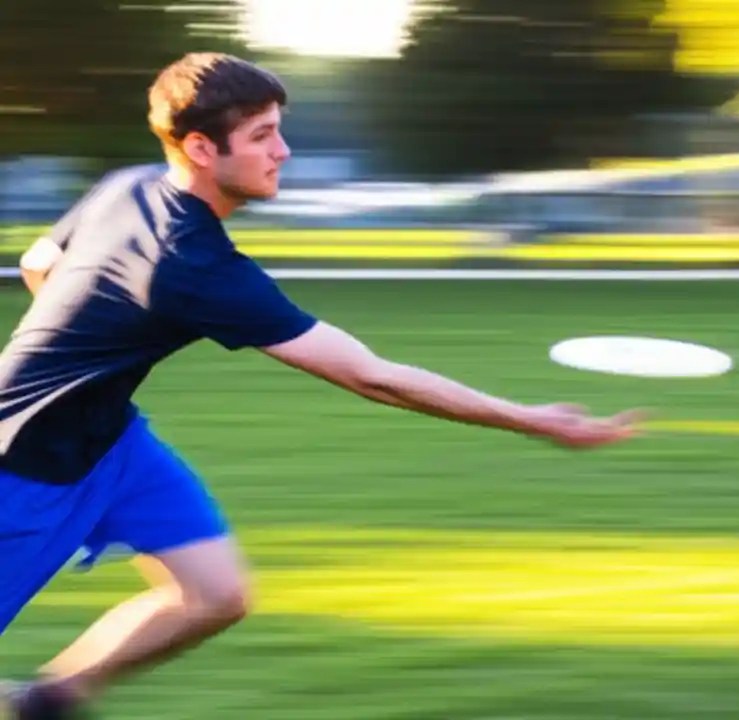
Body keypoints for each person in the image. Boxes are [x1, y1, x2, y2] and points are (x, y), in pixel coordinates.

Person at [0, 52, 645, 719]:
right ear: (200, 147)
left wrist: (87, 354)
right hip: (22, 468)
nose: (282, 151)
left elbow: (39, 261)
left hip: (110, 440)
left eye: (279, 129)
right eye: (261, 137)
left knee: (216, 595)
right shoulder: (194, 266)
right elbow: (374, 377)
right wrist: (535, 420)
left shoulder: (128, 185)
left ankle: (46, 701)